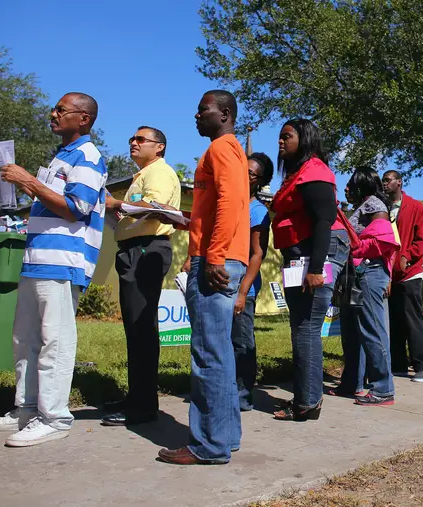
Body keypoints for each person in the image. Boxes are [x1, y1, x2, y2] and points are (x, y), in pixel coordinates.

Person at [0, 92, 107, 447]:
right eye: (54, 108)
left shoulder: (89, 156)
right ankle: (27, 408)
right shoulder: (62, 156)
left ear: (83, 119)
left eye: (61, 110)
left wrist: (29, 182)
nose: (52, 114)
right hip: (37, 259)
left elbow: (76, 208)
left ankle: (55, 417)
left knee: (54, 340)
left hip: (62, 262)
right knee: (25, 339)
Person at [158, 90, 249, 465]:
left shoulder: (221, 148)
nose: (196, 116)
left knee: (208, 355)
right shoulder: (228, 150)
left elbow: (230, 203)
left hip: (217, 261)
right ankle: (225, 436)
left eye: (203, 110)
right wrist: (185, 221)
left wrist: (212, 256)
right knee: (220, 353)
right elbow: (217, 208)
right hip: (222, 255)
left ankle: (209, 446)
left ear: (224, 114)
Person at [270, 119, 350, 421]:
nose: (280, 141)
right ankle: (306, 398)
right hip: (301, 255)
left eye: (286, 136)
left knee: (307, 327)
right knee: (303, 326)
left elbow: (324, 222)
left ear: (305, 138)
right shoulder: (296, 174)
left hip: (318, 254)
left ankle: (307, 403)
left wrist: (317, 268)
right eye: (279, 136)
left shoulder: (314, 170)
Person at [101, 126, 181, 427]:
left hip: (146, 250)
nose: (133, 143)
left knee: (141, 329)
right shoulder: (143, 174)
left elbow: (154, 208)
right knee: (136, 331)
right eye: (131, 139)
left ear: (159, 147)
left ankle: (144, 407)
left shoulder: (158, 172)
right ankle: (137, 398)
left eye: (141, 140)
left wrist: (116, 204)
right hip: (136, 249)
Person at [335, 167, 400, 406]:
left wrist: (354, 248)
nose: (347, 187)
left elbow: (383, 243)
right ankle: (353, 383)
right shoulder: (364, 206)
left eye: (351, 183)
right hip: (358, 274)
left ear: (362, 184)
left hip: (370, 273)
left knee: (373, 330)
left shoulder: (374, 205)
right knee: (354, 332)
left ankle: (383, 389)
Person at [232, 152, 274, 411]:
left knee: (241, 341)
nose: (243, 176)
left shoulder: (257, 211)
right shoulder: (228, 203)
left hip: (242, 287)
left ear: (260, 181)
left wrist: (242, 291)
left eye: (250, 173)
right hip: (221, 281)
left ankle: (243, 395)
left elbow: (257, 253)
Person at [382, 171, 423, 382]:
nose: (384, 184)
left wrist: (407, 255)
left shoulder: (415, 207)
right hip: (389, 273)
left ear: (399, 182)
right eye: (383, 181)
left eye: (388, 180)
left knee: (412, 319)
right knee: (394, 320)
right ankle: (399, 364)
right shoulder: (382, 208)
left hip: (410, 273)